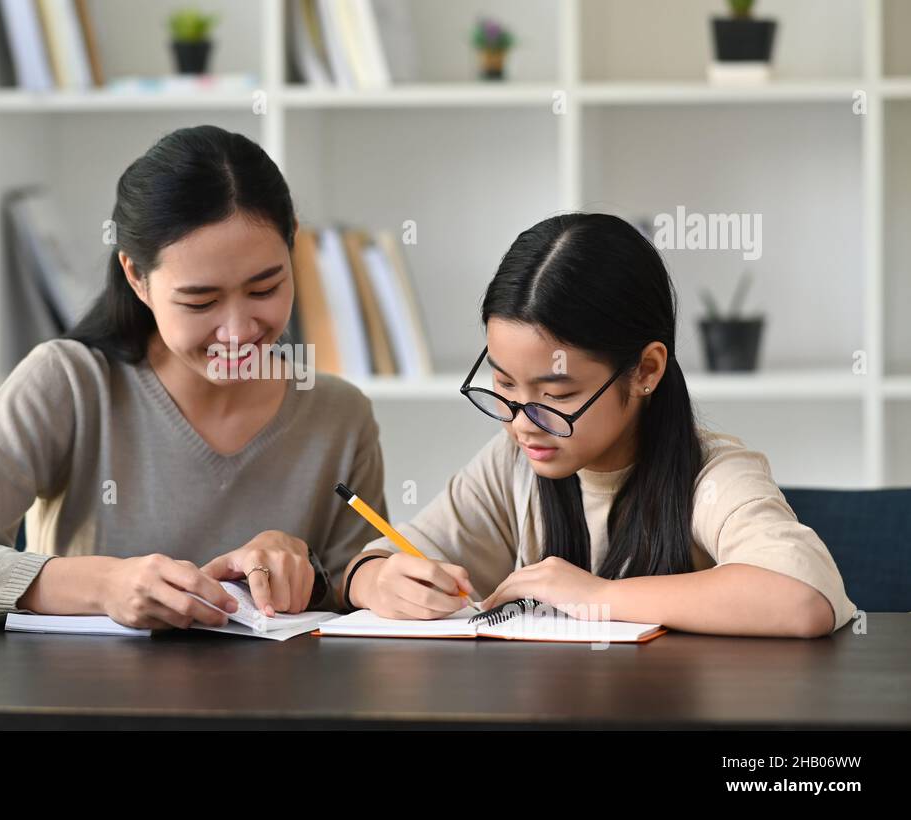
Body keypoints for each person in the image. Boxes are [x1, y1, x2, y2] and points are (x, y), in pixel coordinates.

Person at [0, 125, 386, 628]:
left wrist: (308, 570)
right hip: (89, 700)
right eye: (201, 301)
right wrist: (105, 585)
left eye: (265, 288)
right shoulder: (70, 384)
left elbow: (360, 592)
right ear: (136, 277)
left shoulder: (339, 415)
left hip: (280, 702)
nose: (238, 332)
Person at [340, 212, 855, 638]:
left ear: (646, 370)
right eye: (503, 386)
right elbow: (377, 558)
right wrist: (376, 579)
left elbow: (802, 599)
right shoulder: (511, 466)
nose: (523, 424)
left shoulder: (712, 476)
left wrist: (600, 596)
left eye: (557, 394)